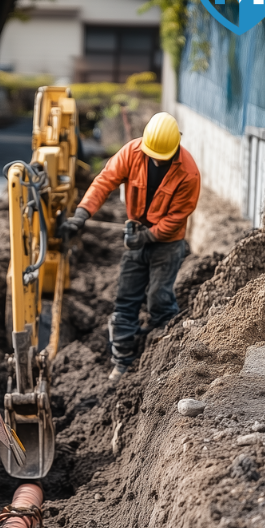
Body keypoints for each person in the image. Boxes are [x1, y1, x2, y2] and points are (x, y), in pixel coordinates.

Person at [60, 112, 201, 380]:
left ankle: (166, 353)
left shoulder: (188, 173)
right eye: (153, 155)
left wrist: (148, 237)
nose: (157, 160)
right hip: (136, 235)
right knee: (126, 299)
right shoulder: (133, 152)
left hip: (167, 243)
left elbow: (177, 217)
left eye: (163, 157)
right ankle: (122, 362)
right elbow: (104, 182)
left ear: (176, 146)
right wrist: (81, 214)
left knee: (159, 297)